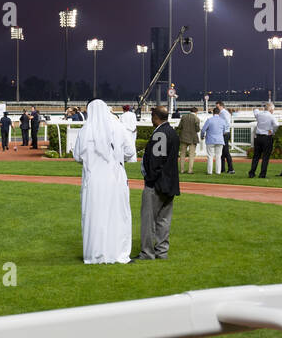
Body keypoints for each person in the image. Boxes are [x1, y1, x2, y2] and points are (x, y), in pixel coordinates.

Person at [73, 99, 137, 264]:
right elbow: (130, 152)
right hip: (115, 179)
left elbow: (77, 156)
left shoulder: (85, 131)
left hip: (93, 181)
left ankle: (95, 254)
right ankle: (118, 253)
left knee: (94, 217)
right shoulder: (118, 127)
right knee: (118, 216)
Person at [133, 106, 180, 261]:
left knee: (148, 220)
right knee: (164, 220)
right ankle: (162, 252)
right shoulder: (172, 131)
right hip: (170, 183)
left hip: (156, 184)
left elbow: (155, 161)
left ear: (155, 117)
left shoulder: (160, 133)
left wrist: (150, 179)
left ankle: (147, 253)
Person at [249, 102, 277, 178]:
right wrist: (273, 131)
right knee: (265, 157)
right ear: (271, 109)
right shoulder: (271, 116)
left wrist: (257, 109)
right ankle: (262, 174)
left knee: (256, 156)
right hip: (267, 137)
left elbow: (255, 110)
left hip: (258, 137)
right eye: (273, 109)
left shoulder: (259, 114)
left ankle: (252, 173)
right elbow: (276, 125)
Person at [202, 107, 227, 175]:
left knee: (210, 156)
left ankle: (209, 172)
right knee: (218, 157)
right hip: (220, 140)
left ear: (213, 113)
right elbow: (224, 131)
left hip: (210, 140)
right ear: (219, 113)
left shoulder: (209, 120)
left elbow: (203, 130)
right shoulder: (222, 121)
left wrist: (202, 136)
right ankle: (218, 171)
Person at [176, 106, 201, 175]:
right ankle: (190, 170)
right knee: (191, 155)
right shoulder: (197, 119)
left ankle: (181, 170)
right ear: (196, 112)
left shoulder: (184, 117)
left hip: (183, 138)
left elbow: (179, 127)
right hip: (192, 139)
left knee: (182, 154)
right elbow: (197, 130)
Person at [215, 101, 234, 173]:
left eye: (217, 107)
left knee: (226, 152)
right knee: (222, 152)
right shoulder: (223, 113)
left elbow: (227, 123)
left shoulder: (224, 113)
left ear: (221, 106)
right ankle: (222, 168)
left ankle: (231, 169)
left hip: (225, 133)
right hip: (224, 133)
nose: (217, 108)